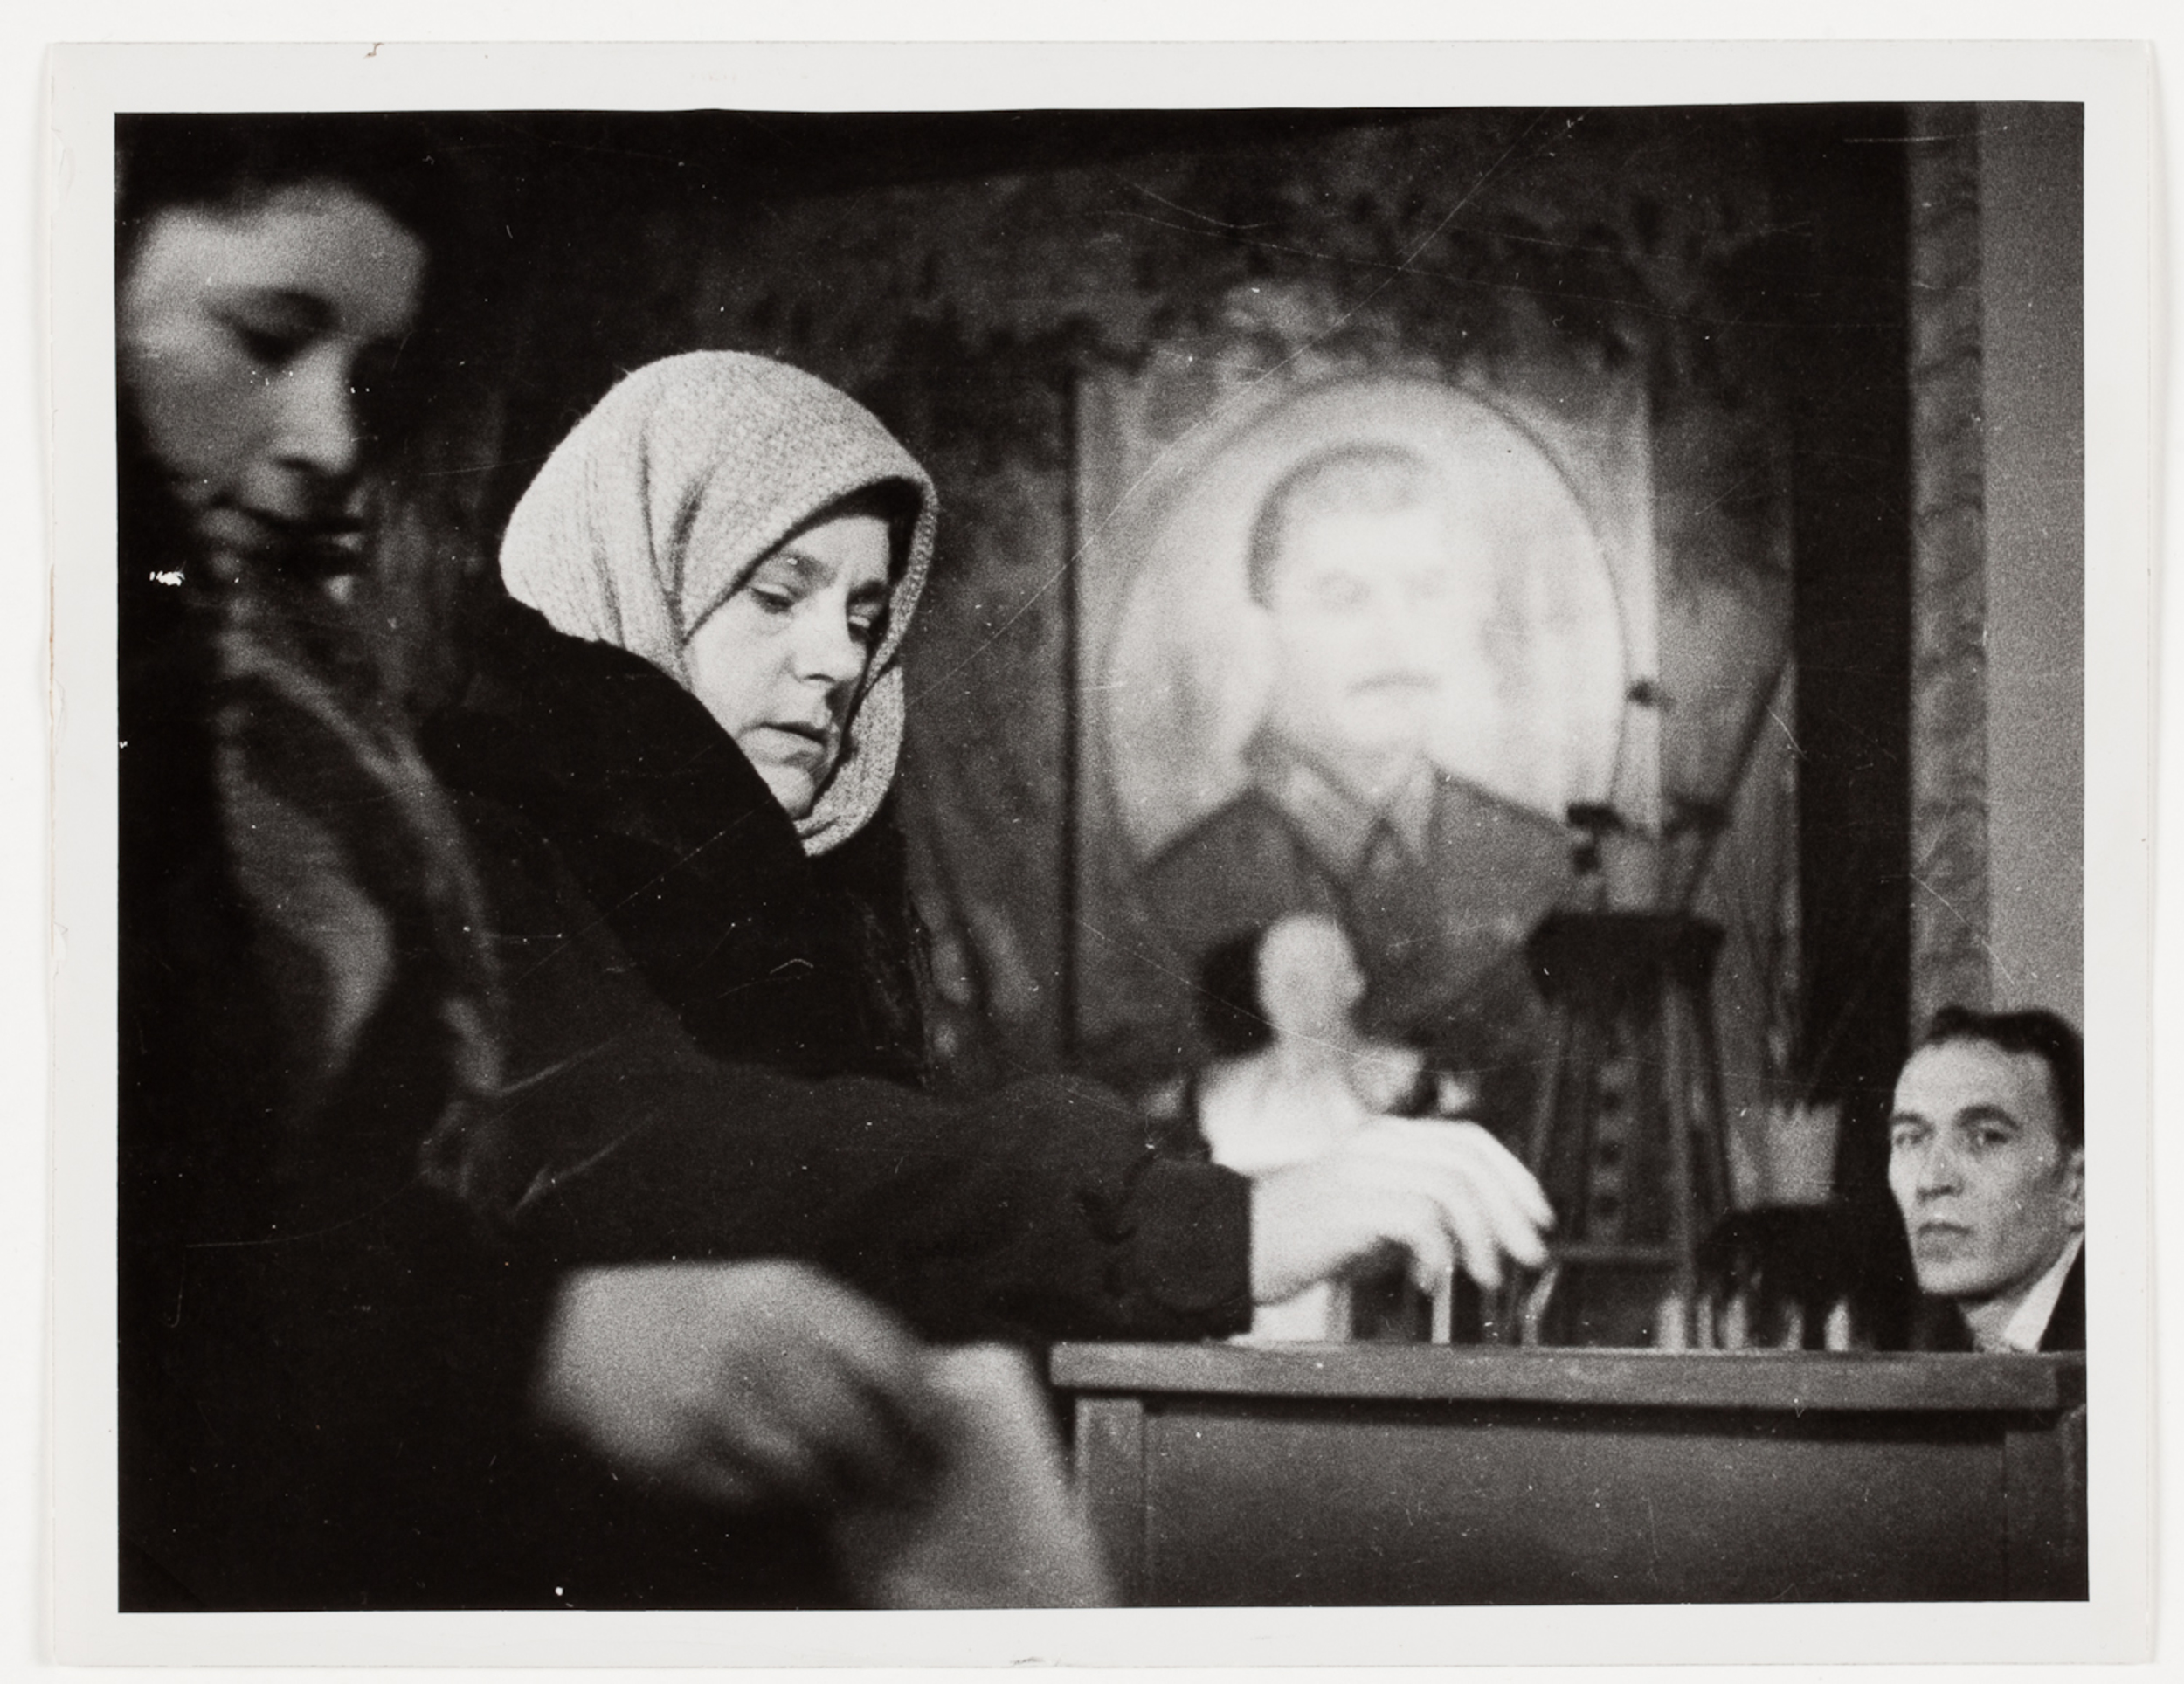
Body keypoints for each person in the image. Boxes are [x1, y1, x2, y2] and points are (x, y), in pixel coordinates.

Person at [114, 118, 975, 1612]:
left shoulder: (284, 714)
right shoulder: (467, 791)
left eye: (866, 615)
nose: (326, 438)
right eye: (266, 336)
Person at [423, 353, 1553, 1370]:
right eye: (778, 595)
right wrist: (1227, 1227)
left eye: (868, 617)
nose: (838, 658)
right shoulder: (468, 839)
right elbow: (673, 1151)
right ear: (636, 574)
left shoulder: (816, 900)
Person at [1139, 443, 1574, 1105]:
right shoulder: (1184, 885)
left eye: (1426, 591)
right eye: (1344, 598)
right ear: (1264, 635)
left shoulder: (1539, 859)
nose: (1395, 635)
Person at [1886, 1006, 2085, 1354]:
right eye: (1911, 1138)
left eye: (1985, 1137)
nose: (1931, 1181)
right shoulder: (1943, 1341)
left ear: (2077, 1185)